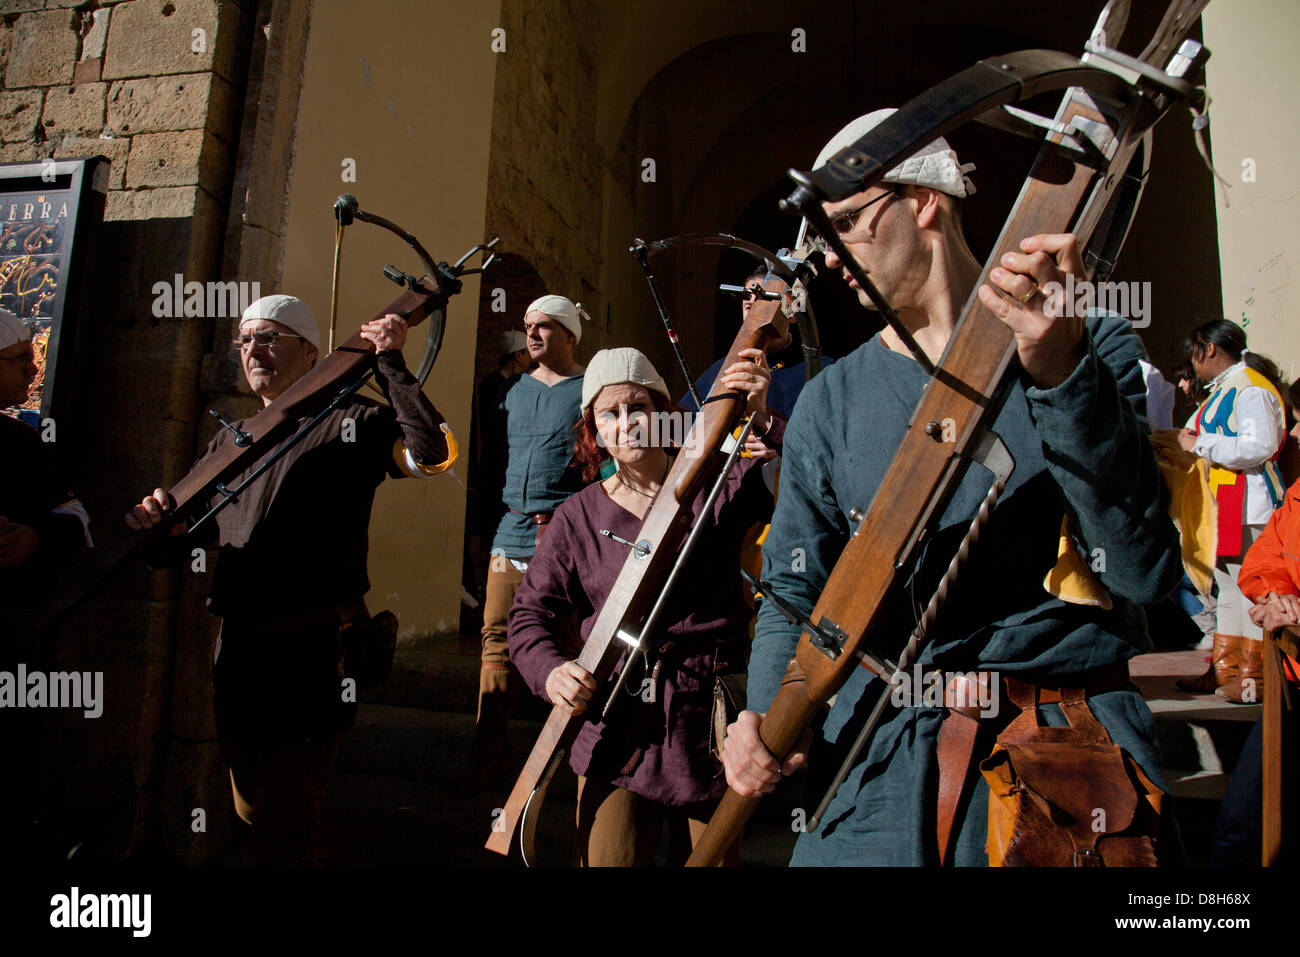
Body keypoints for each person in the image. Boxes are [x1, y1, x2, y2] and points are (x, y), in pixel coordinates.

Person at [720, 108, 1183, 866]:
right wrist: (766, 712)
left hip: (1058, 748)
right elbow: (793, 595)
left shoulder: (1087, 342)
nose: (829, 255)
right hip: (879, 758)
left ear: (923, 200)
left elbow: (1141, 568)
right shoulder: (830, 401)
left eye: (846, 223)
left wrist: (1063, 377)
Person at [126, 294, 454, 865]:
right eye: (246, 338)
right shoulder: (230, 443)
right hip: (239, 651)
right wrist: (154, 524)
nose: (255, 348)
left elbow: (433, 455)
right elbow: (178, 545)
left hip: (309, 651)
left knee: (285, 819)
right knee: (254, 807)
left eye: (271, 337)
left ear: (311, 352)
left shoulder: (353, 424)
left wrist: (389, 365)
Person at [508, 346, 781, 865]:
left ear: (664, 415)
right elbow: (528, 618)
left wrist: (763, 417)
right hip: (617, 727)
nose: (627, 422)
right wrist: (551, 672)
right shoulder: (576, 516)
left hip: (708, 727)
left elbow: (806, 473)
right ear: (594, 427)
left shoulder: (721, 485)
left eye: (639, 407)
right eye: (610, 412)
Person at [468, 295, 587, 790]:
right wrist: (479, 530)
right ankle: (488, 756)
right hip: (508, 533)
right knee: (495, 640)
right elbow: (489, 464)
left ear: (569, 335)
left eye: (545, 326)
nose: (532, 334)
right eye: (528, 325)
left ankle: (559, 760)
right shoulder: (507, 390)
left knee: (562, 647)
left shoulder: (590, 391)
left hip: (564, 540)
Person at [0, 307, 92, 862]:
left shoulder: (21, 442)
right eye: (17, 362)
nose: (31, 373)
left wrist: (36, 539)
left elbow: (75, 517)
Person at [1211, 377, 1300, 864]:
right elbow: (1265, 559)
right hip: (1289, 694)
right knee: (1240, 829)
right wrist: (1275, 594)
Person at [1175, 320, 1287, 702]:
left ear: (1206, 349)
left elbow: (1259, 445)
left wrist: (1201, 445)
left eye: (1194, 354)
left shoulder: (1251, 388)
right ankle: (1226, 671)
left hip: (1251, 503)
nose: (1194, 365)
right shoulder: (1226, 388)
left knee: (1250, 590)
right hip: (1224, 503)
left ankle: (1255, 680)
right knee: (1226, 588)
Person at [680, 268, 833, 420]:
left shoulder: (820, 369)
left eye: (764, 306)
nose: (755, 315)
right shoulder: (723, 367)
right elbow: (682, 428)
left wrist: (774, 433)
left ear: (792, 313)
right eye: (749, 307)